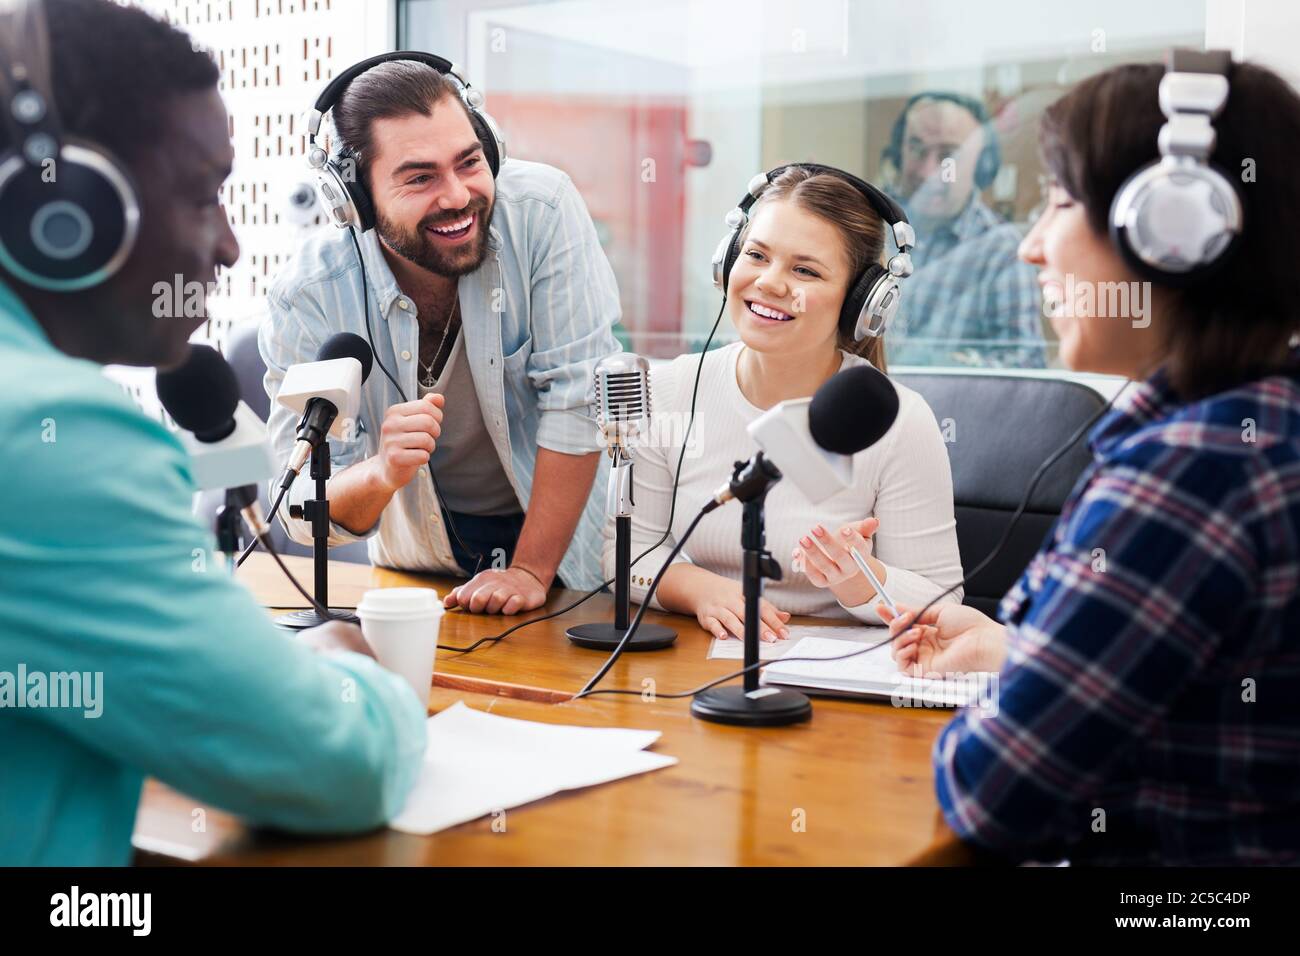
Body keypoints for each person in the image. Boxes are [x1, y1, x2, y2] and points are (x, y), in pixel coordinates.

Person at [0, 0, 425, 866]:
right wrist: (355, 673)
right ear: (70, 210)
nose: (229, 247)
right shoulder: (51, 438)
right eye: (202, 195)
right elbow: (332, 762)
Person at [883, 56, 1300, 865]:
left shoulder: (1189, 474)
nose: (1032, 248)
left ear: (1173, 232)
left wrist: (1022, 681)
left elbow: (992, 791)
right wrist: (1019, 649)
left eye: (1061, 203)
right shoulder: (1266, 423)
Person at [261, 56, 620, 615]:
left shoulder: (542, 211)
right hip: (420, 571)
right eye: (420, 177)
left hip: (565, 557)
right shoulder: (308, 296)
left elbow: (580, 399)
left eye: (469, 161)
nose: (456, 196)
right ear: (353, 197)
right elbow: (303, 504)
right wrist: (380, 473)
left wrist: (528, 568)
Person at [611, 165, 963, 643]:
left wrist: (859, 579)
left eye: (805, 270)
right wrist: (700, 591)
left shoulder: (900, 421)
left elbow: (941, 602)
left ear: (862, 302)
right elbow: (626, 557)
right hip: (698, 665)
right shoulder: (672, 390)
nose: (771, 283)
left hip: (836, 676)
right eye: (756, 255)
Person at [879, 92, 1047, 369]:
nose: (928, 171)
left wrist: (942, 364)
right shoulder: (868, 223)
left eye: (948, 156)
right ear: (898, 154)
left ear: (982, 165)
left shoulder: (1001, 250)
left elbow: (1027, 365)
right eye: (917, 148)